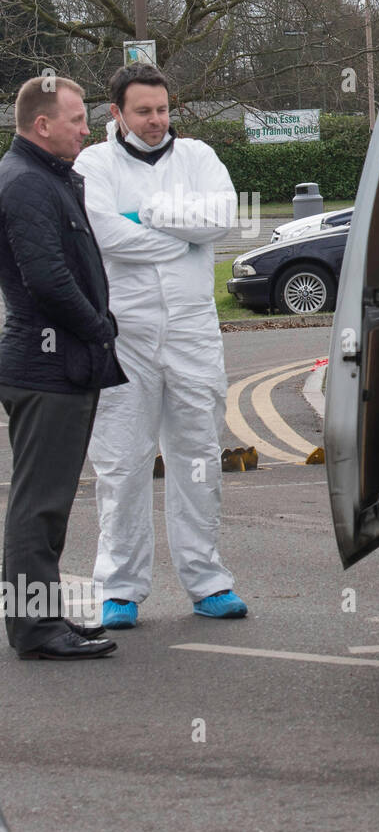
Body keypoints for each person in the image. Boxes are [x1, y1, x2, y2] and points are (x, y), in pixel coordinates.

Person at [74, 64, 245, 627]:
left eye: (163, 109)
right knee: (122, 462)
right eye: (143, 111)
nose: (156, 121)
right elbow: (101, 231)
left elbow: (223, 217)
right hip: (126, 332)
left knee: (198, 456)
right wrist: (183, 241)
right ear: (116, 113)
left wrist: (144, 215)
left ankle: (208, 580)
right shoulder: (94, 164)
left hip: (194, 330)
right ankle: (120, 587)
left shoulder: (197, 157)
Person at [0, 75, 123, 660]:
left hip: (57, 365)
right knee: (38, 506)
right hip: (46, 367)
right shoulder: (26, 183)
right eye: (76, 119)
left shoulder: (43, 177)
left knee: (45, 504)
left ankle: (43, 621)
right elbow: (46, 280)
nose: (85, 128)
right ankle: (34, 630)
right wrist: (98, 328)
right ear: (42, 124)